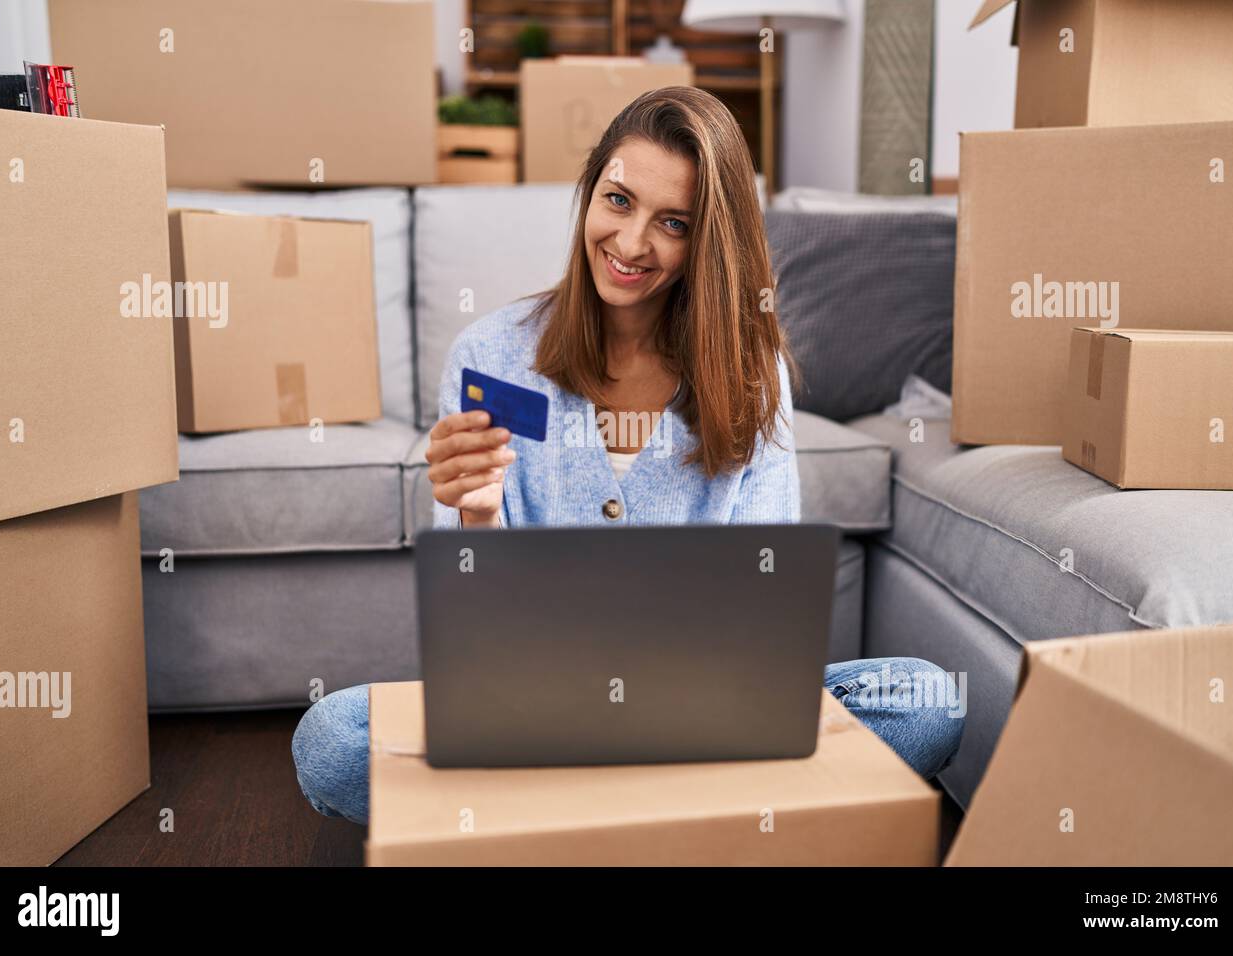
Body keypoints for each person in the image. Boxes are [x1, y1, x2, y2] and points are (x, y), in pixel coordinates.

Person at [293, 87, 963, 826]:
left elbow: (766, 602)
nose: (632, 242)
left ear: (708, 239)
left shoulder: (748, 368)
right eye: (618, 200)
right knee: (333, 740)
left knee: (926, 699)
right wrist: (476, 516)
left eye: (672, 222)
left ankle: (576, 818)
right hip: (537, 706)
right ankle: (674, 817)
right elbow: (479, 634)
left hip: (705, 707)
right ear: (589, 192)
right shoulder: (492, 353)